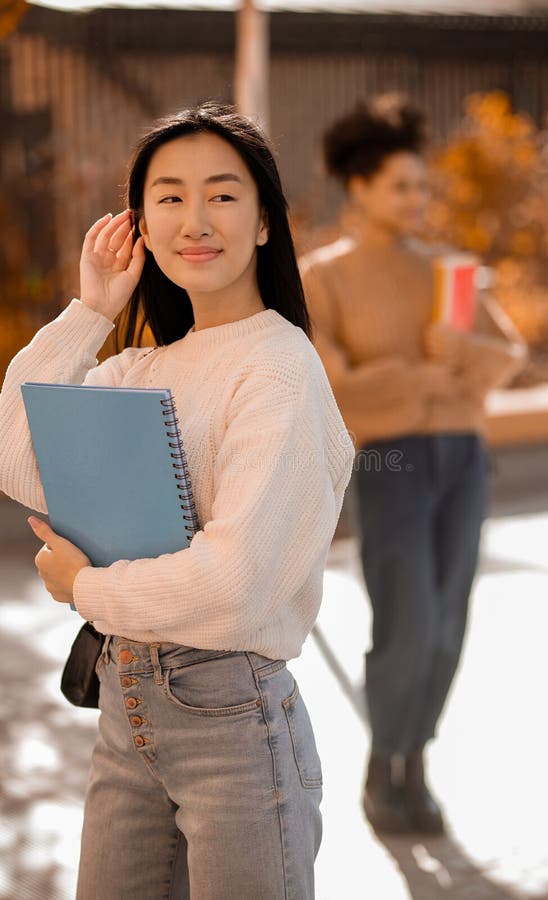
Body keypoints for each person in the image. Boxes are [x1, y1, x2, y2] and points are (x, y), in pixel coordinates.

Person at [0, 102, 354, 899]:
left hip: (234, 720)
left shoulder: (275, 369)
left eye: (222, 195)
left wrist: (84, 588)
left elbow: (234, 586)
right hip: (127, 712)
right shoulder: (142, 370)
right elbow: (17, 454)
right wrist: (89, 310)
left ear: (264, 222)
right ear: (140, 226)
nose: (195, 220)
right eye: (168, 197)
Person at [300, 93, 526, 835]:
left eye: (420, 185)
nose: (415, 199)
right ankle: (382, 766)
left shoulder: (450, 271)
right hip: (390, 465)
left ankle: (414, 763)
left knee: (449, 621)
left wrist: (459, 356)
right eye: (400, 184)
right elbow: (333, 384)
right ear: (358, 187)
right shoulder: (322, 278)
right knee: (407, 621)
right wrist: (423, 378)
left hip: (463, 458)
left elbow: (505, 357)